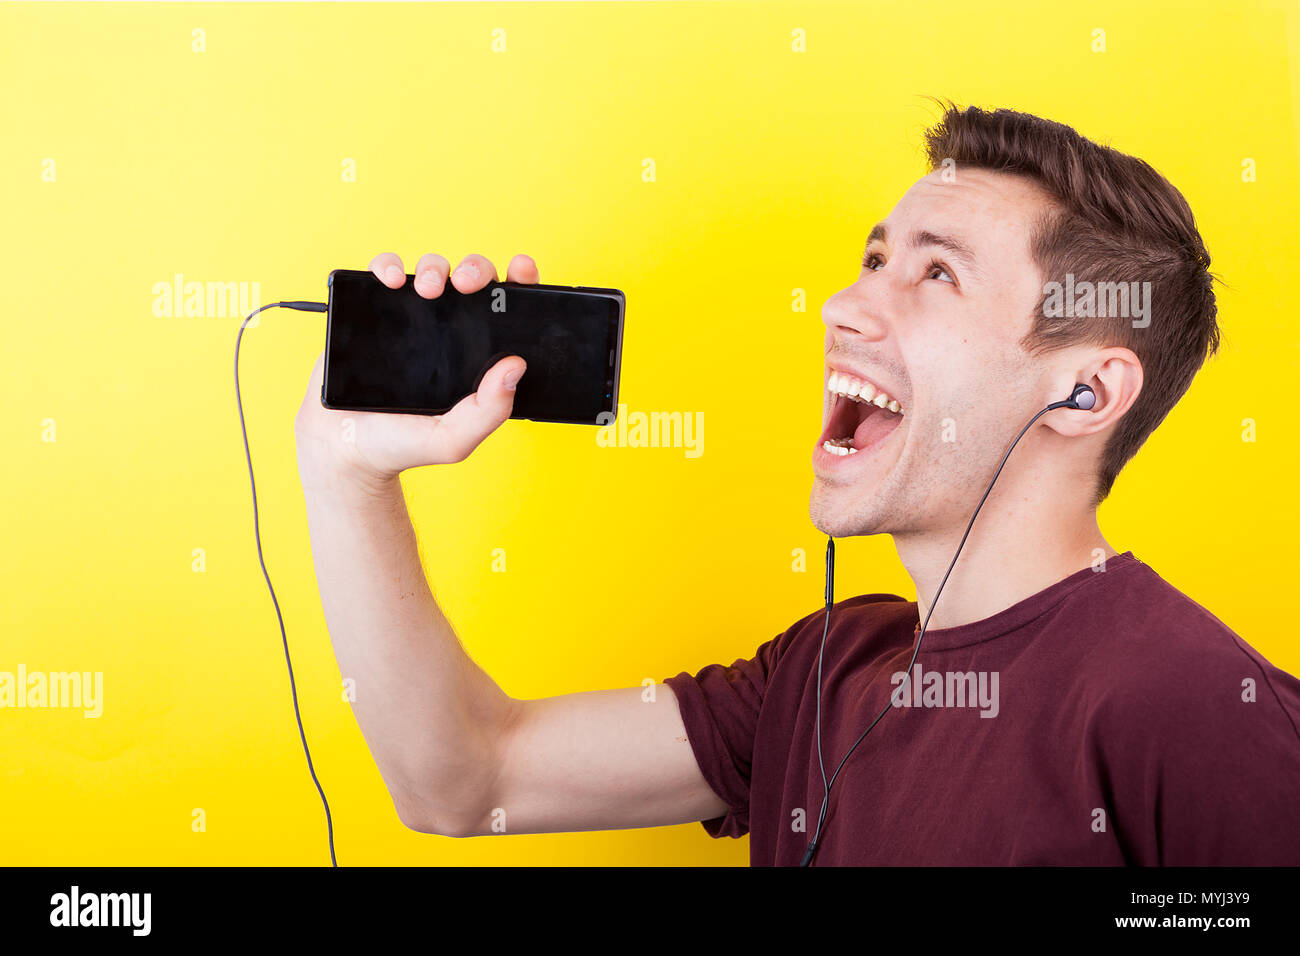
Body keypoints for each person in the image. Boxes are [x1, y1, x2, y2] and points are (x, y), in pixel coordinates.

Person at [293, 103, 1300, 865]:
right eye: (872, 257)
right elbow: (466, 777)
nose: (838, 303)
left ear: (1082, 391)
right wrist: (344, 471)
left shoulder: (1197, 705)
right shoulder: (822, 670)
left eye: (935, 272)